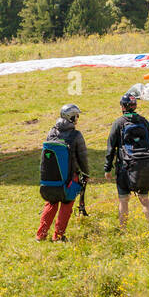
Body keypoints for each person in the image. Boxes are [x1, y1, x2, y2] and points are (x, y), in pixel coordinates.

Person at [36, 104, 89, 242]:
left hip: (51, 178)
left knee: (51, 203)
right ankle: (58, 237)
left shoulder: (51, 132)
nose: (77, 118)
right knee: (66, 204)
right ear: (71, 117)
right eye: (76, 116)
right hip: (70, 178)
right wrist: (86, 174)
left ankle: (41, 235)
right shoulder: (76, 135)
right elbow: (82, 157)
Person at [104, 92, 149, 228]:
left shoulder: (118, 123)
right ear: (135, 106)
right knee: (144, 199)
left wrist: (107, 168)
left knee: (123, 200)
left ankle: (123, 229)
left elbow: (111, 148)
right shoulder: (143, 121)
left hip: (124, 167)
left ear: (123, 107)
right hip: (143, 165)